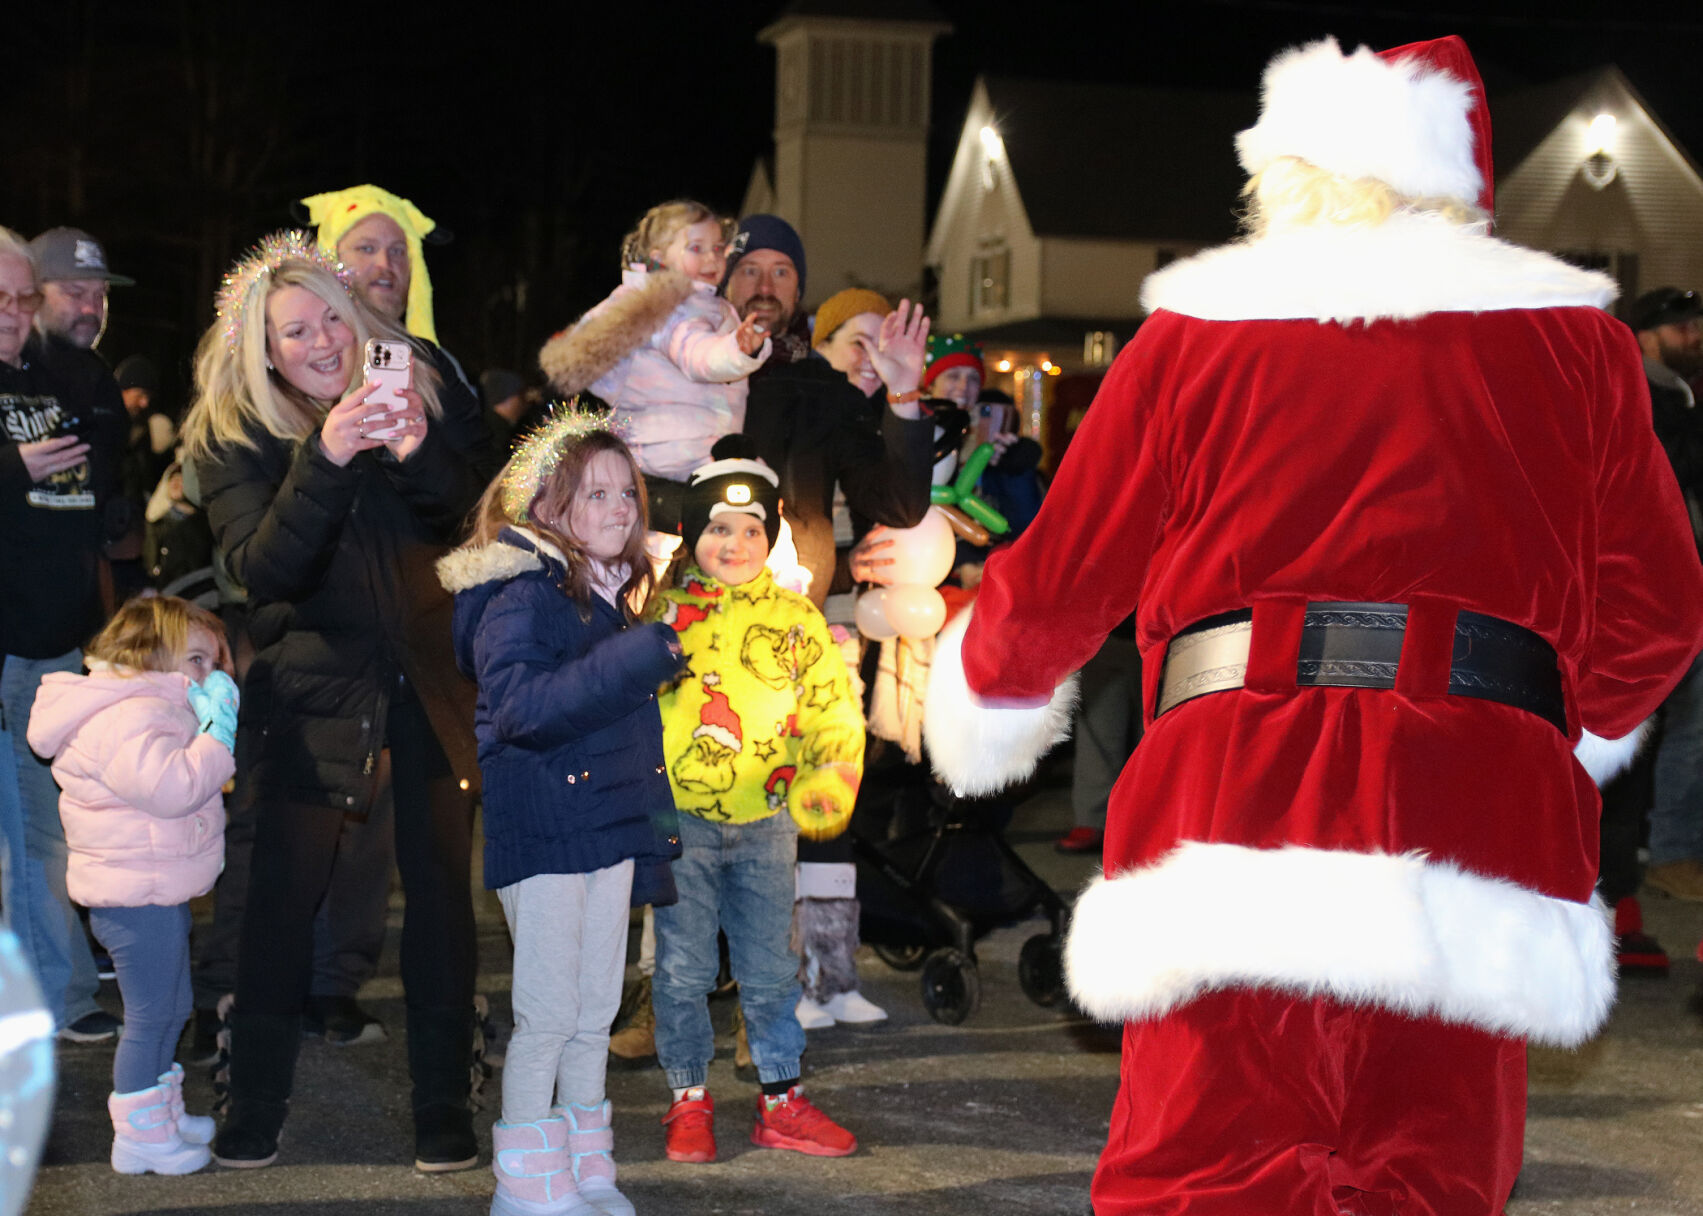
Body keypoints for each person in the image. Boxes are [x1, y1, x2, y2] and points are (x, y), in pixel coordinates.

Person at [923, 36, 1703, 1216]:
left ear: (1284, 168)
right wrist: (1565, 735)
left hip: (1238, 786)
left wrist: (988, 685)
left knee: (1201, 1172)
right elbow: (1656, 603)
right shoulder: (1574, 344)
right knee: (1426, 1176)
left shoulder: (1198, 331)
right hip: (1471, 800)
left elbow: (1069, 564)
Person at [178, 230, 491, 1171]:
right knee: (281, 899)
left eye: (330, 319)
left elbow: (484, 517)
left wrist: (414, 449)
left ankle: (444, 1101)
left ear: (358, 317)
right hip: (309, 686)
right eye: (293, 331)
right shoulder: (238, 433)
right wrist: (329, 452)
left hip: (432, 673)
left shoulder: (425, 386)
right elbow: (261, 572)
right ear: (262, 350)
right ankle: (255, 1096)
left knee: (440, 896)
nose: (321, 343)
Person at [439, 411, 682, 1216]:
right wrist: (637, 655)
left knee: (593, 1011)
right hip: (544, 834)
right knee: (546, 1015)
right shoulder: (521, 595)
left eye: (627, 493)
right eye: (596, 493)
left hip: (604, 832)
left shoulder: (605, 599)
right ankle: (524, 1178)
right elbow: (519, 711)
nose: (621, 508)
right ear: (545, 508)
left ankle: (583, 1166)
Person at [289, 184, 487, 1043]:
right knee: (335, 821)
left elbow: (483, 495)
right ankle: (304, 983)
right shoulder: (298, 362)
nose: (385, 265)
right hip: (332, 635)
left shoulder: (439, 372)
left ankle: (416, 998)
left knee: (433, 838)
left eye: (398, 252)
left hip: (430, 628)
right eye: (365, 249)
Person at [651, 443, 863, 1163]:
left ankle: (779, 1100)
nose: (735, 544)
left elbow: (832, 710)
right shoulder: (666, 617)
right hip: (680, 820)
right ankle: (687, 1098)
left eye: (749, 531)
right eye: (717, 528)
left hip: (768, 822)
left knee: (770, 967)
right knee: (680, 968)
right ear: (690, 535)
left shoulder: (797, 619)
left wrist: (825, 784)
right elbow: (628, 710)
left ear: (769, 539)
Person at [27, 596, 237, 1176]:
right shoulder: (131, 714)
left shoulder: (152, 706)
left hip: (151, 885)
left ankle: (159, 1114)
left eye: (214, 662)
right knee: (149, 1016)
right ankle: (138, 1136)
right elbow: (170, 788)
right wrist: (219, 735)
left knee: (170, 1007)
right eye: (197, 659)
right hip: (131, 894)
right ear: (153, 652)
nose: (210, 674)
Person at [0, 225, 126, 1045]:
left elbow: (103, 506)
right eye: (0, 301)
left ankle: (62, 991)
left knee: (48, 829)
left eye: (17, 298)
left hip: (55, 641)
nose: (12, 314)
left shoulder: (59, 374)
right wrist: (16, 470)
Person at [722, 215, 935, 600]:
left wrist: (904, 391)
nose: (765, 287)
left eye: (781, 272)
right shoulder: (684, 370)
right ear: (725, 282)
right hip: (691, 615)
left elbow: (900, 507)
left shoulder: (827, 392)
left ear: (798, 288)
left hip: (791, 622)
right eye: (749, 269)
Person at [539, 199, 768, 529]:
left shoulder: (706, 304)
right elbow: (697, 355)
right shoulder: (667, 306)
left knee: (747, 509)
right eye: (696, 248)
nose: (711, 258)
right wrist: (738, 350)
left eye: (718, 248)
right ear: (660, 255)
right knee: (713, 522)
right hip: (672, 452)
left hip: (695, 447)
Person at [1628, 287, 1703, 905]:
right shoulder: (1641, 397)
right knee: (1669, 725)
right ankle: (1663, 853)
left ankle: (1665, 850)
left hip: (1678, 584)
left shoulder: (1676, 396)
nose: (1695, 336)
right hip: (1650, 594)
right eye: (1682, 328)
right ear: (1648, 335)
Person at [28, 227, 133, 352]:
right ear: (30, 296)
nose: (91, 309)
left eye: (100, 294)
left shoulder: (92, 368)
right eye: (75, 294)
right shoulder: (11, 366)